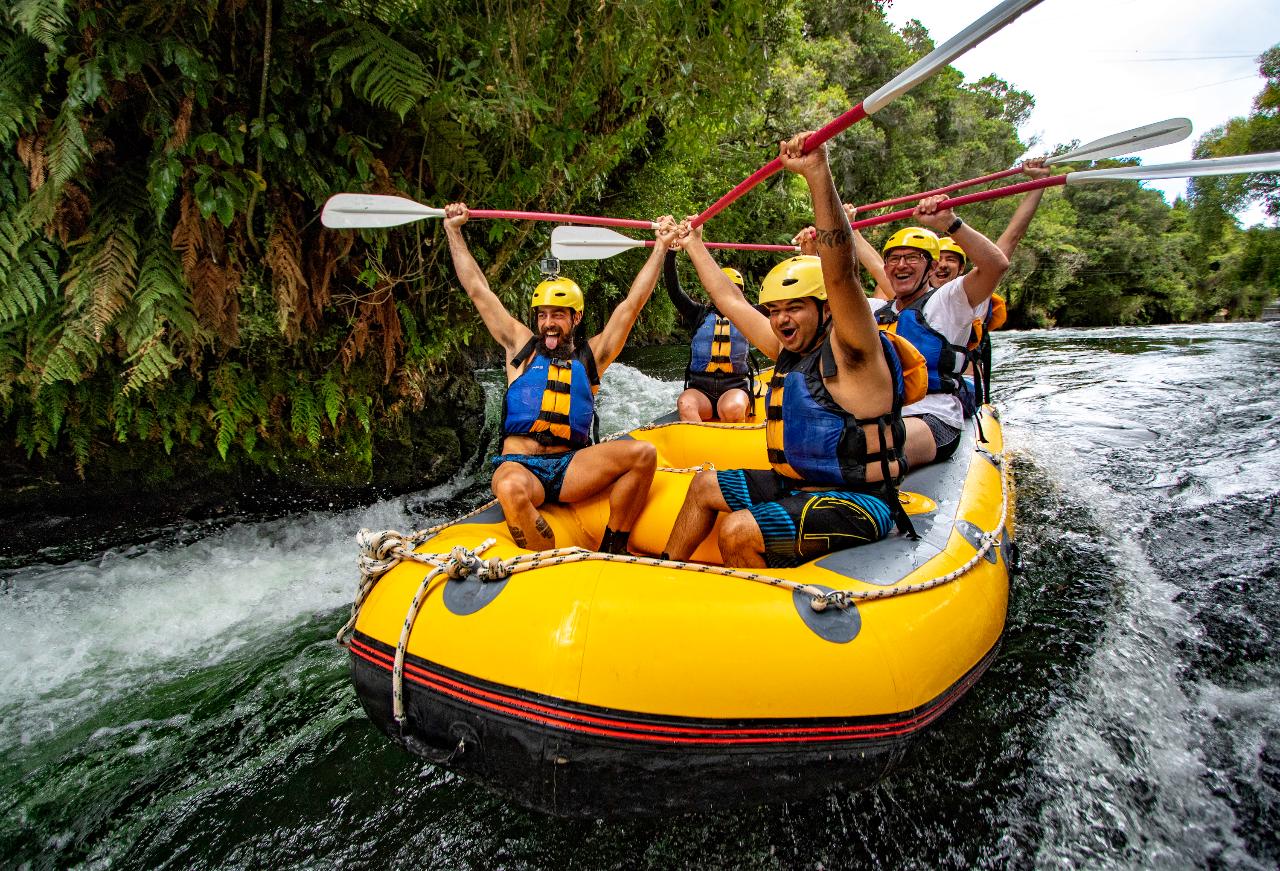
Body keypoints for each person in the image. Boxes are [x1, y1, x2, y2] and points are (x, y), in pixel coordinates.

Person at [661, 132, 919, 569]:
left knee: (737, 529)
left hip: (859, 500)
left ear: (824, 308)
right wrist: (694, 246)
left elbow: (843, 276)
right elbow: (731, 300)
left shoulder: (856, 348)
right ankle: (664, 573)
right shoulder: (788, 350)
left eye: (794, 309)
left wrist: (818, 174)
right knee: (704, 485)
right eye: (775, 310)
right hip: (796, 483)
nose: (781, 320)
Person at [442, 203, 677, 555]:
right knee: (508, 488)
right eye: (543, 315)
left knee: (643, 453)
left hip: (571, 468)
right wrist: (454, 231)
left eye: (558, 315)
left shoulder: (592, 355)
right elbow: (478, 290)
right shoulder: (520, 347)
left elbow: (632, 304)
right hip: (521, 466)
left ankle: (614, 545)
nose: (549, 323)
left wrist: (660, 246)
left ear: (576, 317)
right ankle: (551, 562)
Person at [868, 196, 1009, 470]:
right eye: (894, 259)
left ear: (932, 267)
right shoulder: (875, 309)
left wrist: (949, 223)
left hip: (934, 416)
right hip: (883, 414)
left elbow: (996, 265)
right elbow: (835, 287)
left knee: (859, 447)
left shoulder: (948, 301)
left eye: (912, 258)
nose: (901, 265)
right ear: (886, 269)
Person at [662, 252, 754, 422]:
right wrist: (671, 254)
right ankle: (696, 446)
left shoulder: (750, 315)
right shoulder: (698, 314)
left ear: (740, 293)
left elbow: (779, 304)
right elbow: (674, 291)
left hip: (733, 387)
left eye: (733, 290)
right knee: (686, 404)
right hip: (700, 389)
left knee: (732, 409)